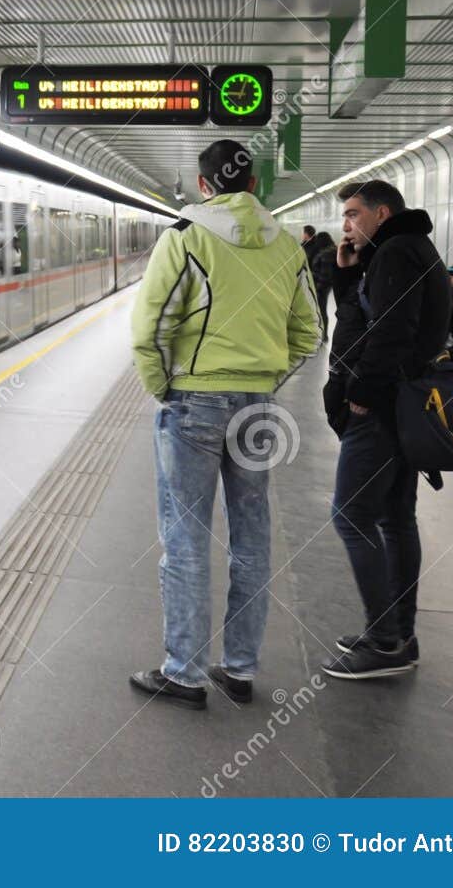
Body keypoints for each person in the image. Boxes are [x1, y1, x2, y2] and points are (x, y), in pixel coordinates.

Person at [128, 140, 323, 709]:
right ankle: (238, 669)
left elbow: (150, 330)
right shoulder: (287, 246)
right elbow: (309, 335)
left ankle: (184, 672)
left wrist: (166, 386)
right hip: (257, 406)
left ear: (203, 183)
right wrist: (264, 378)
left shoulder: (186, 239)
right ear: (256, 186)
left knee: (186, 535)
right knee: (252, 535)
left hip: (194, 402)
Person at [321, 180, 451, 680]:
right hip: (403, 409)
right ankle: (399, 634)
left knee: (352, 516)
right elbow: (365, 316)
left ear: (381, 212)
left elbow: (389, 334)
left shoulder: (396, 252)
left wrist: (362, 397)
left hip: (382, 411)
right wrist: (346, 274)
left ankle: (383, 640)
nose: (347, 224)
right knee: (395, 520)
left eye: (354, 214)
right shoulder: (410, 249)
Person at [304, 227, 336, 337]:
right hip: (326, 287)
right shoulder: (333, 251)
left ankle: (321, 334)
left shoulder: (325, 254)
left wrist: (315, 288)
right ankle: (323, 334)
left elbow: (324, 276)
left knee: (319, 311)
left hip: (320, 288)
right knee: (321, 310)